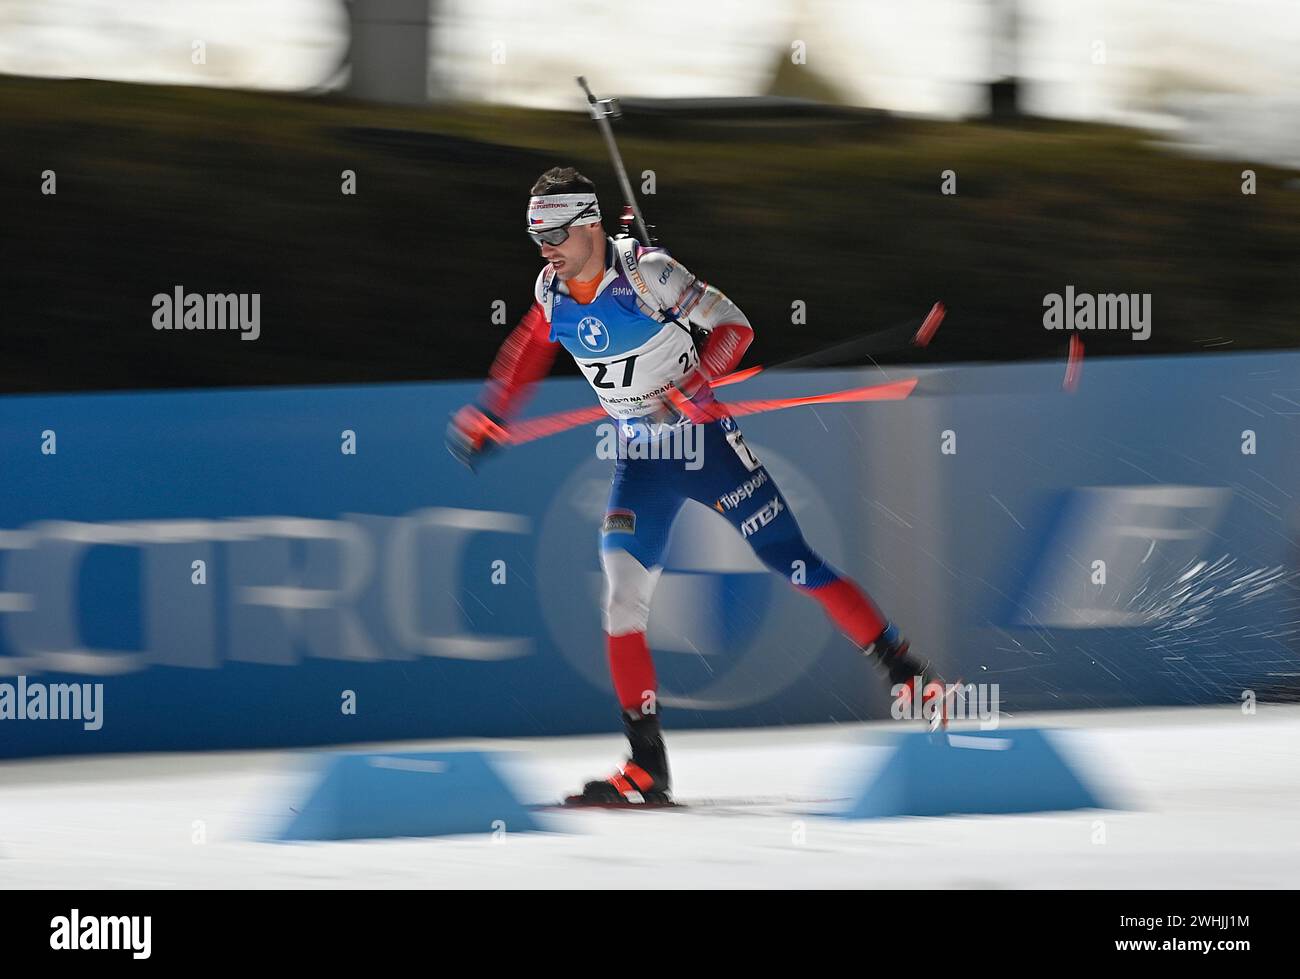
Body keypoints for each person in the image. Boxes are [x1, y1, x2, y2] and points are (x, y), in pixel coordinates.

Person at [448, 166, 935, 806]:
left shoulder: (649, 274)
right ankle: (647, 768)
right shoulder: (552, 289)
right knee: (622, 598)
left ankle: (905, 669)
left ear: (591, 224)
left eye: (558, 235)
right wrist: (493, 412)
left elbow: (736, 328)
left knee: (791, 561)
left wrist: (697, 382)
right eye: (539, 237)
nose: (548, 250)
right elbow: (528, 347)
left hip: (705, 446)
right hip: (641, 460)